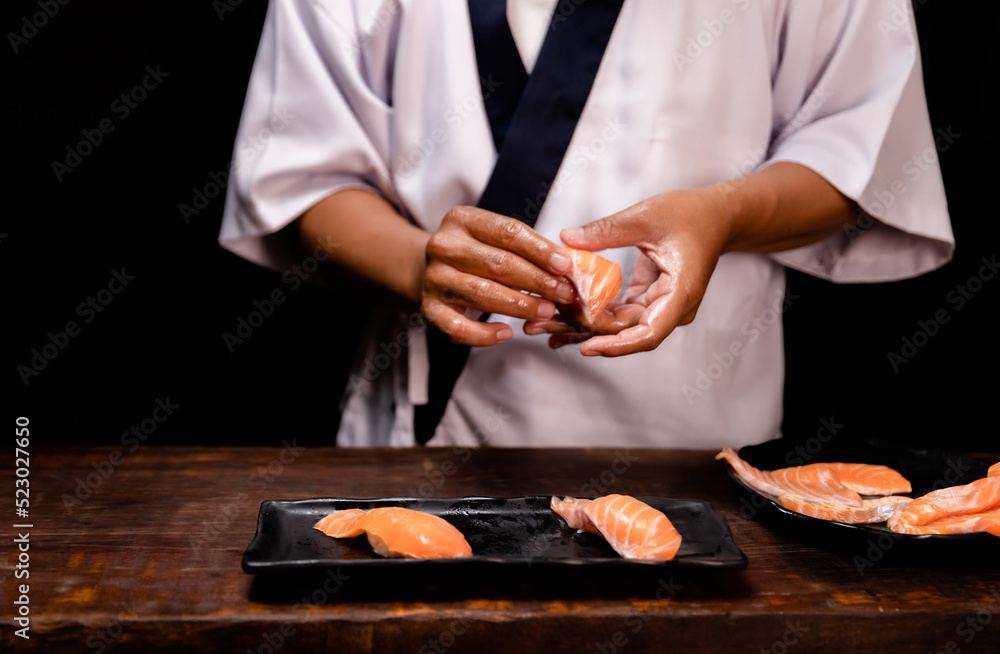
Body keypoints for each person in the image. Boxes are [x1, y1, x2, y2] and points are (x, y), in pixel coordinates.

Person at [219, 0, 953, 449]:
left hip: (695, 424)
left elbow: (859, 153)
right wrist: (420, 264)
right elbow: (302, 175)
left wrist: (721, 214)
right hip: (435, 426)